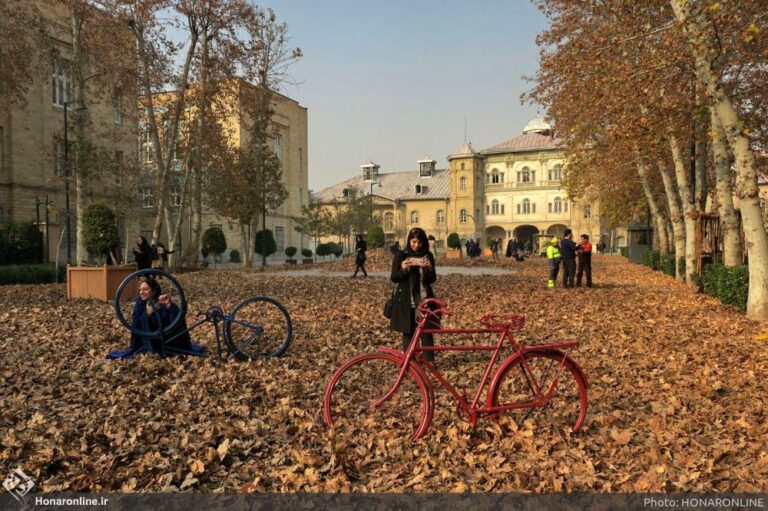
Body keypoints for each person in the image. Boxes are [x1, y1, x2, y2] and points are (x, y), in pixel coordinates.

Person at [106, 278, 195, 359]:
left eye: (145, 289)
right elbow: (136, 325)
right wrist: (147, 314)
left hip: (165, 339)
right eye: (140, 289)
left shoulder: (162, 300)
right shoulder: (139, 302)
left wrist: (169, 305)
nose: (141, 292)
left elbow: (175, 322)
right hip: (147, 340)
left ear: (153, 290)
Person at [389, 227, 437, 362]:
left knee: (426, 333)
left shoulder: (427, 255)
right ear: (409, 240)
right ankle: (410, 363)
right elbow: (394, 277)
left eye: (420, 242)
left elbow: (432, 279)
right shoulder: (401, 255)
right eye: (414, 241)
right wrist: (403, 269)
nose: (416, 245)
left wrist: (428, 268)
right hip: (406, 300)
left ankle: (429, 363)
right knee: (408, 333)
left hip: (424, 300)